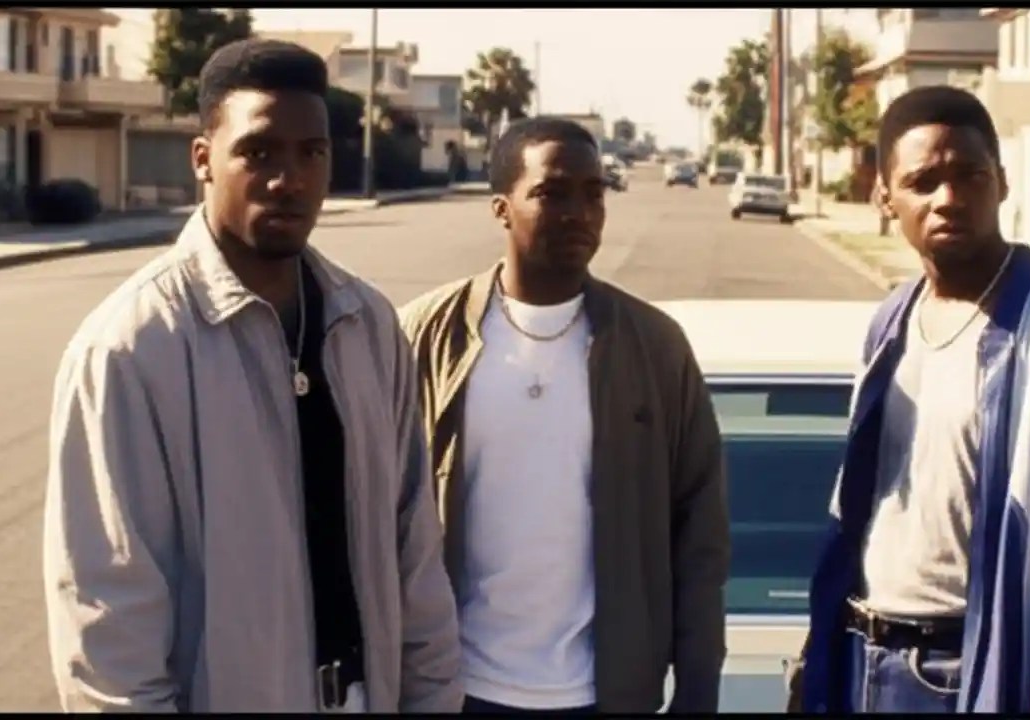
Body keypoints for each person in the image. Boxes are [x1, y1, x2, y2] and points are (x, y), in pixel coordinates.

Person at [42, 38, 461, 713]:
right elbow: (107, 614)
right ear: (204, 159)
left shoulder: (368, 325)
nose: (289, 179)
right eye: (259, 152)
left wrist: (434, 698)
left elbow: (413, 549)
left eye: (311, 153)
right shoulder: (130, 349)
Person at [795, 85, 1030, 714]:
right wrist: (816, 658)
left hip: (971, 675)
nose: (948, 198)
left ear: (1003, 183)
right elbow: (855, 517)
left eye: (970, 176)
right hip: (862, 665)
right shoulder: (890, 323)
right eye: (924, 181)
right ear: (885, 196)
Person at [398, 117, 730, 715]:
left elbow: (699, 533)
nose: (578, 212)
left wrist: (699, 689)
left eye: (593, 193)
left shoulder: (654, 347)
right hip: (454, 689)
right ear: (502, 208)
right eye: (552, 194)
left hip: (603, 694)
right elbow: (375, 516)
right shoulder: (424, 335)